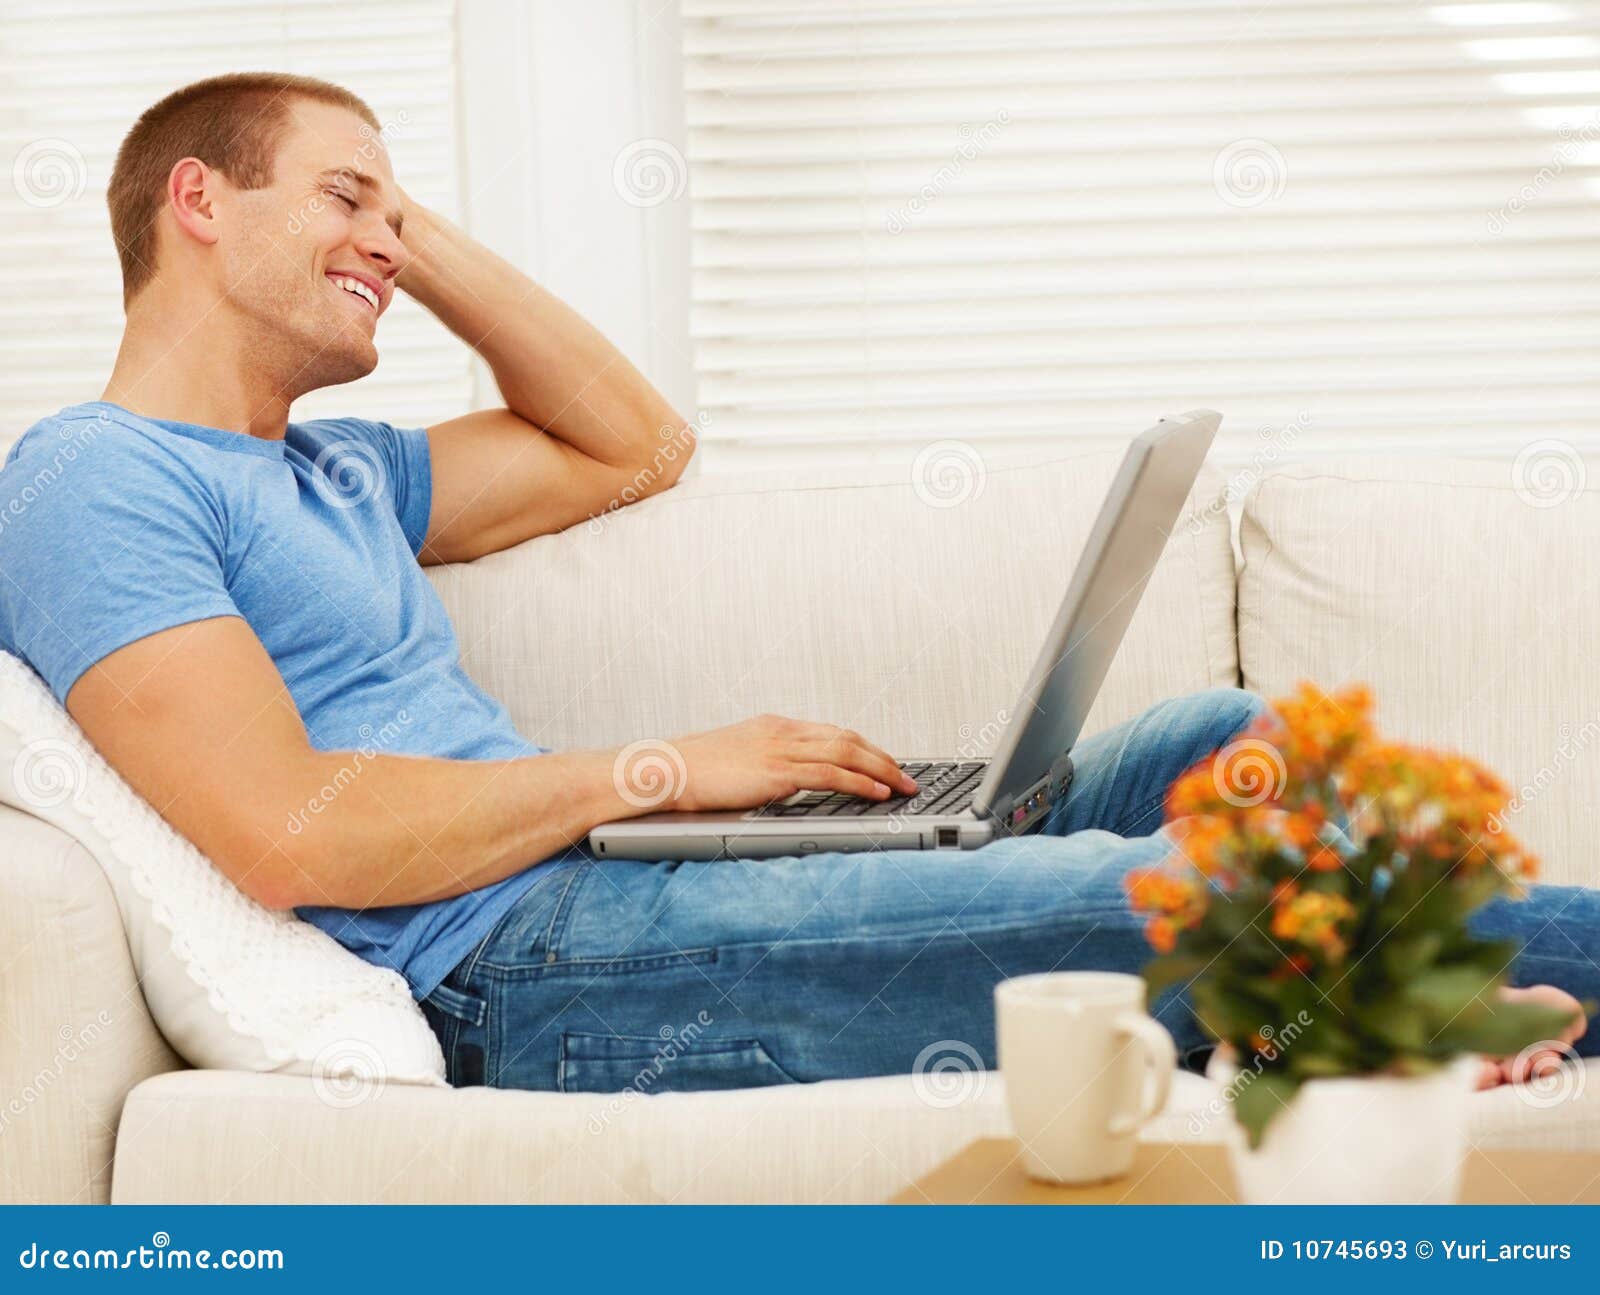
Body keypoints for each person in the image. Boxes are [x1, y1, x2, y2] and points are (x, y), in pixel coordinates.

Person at [0, 74, 1586, 1095]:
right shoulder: (94, 480)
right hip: (523, 964)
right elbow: (289, 834)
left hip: (612, 880)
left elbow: (636, 443)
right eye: (343, 198)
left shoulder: (336, 470)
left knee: (1222, 743)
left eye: (396, 216)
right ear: (196, 202)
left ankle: (1347, 1017)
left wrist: (392, 229)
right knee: (1201, 889)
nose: (384, 246)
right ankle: (1380, 1004)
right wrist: (658, 773)